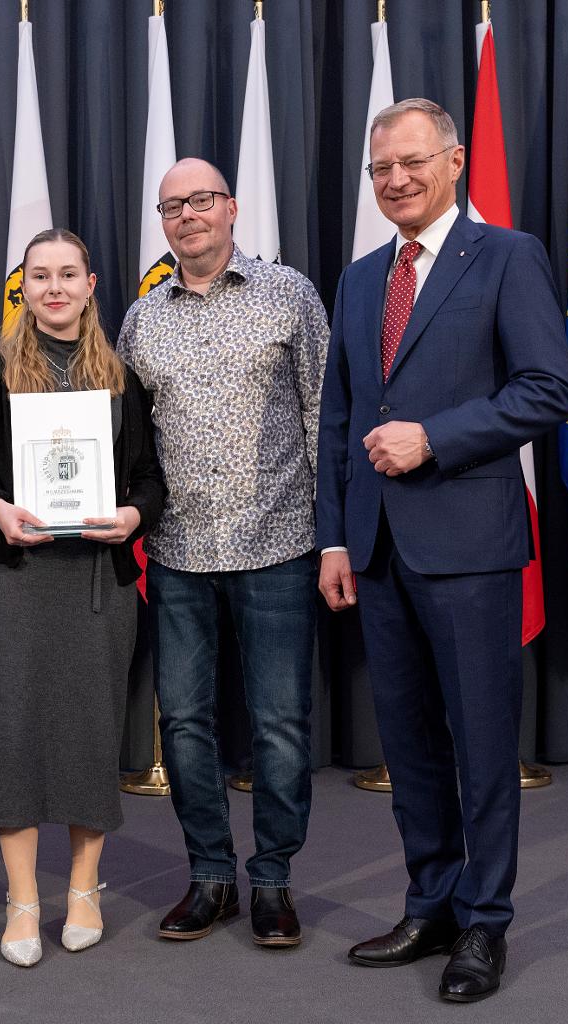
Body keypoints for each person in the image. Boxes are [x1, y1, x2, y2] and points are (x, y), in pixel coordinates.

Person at [316, 98, 568, 1003]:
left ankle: (484, 925)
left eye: (411, 163)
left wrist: (438, 436)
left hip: (471, 546)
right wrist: (337, 538)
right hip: (380, 552)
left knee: (480, 744)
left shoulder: (507, 257)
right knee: (412, 748)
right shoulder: (356, 281)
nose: (395, 180)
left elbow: (550, 390)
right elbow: (341, 422)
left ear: (455, 161)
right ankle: (428, 902)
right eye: (380, 169)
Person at [117, 159, 329, 949]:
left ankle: (272, 880)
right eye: (172, 206)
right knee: (185, 725)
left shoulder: (290, 295)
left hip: (278, 545)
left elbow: (323, 417)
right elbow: (129, 440)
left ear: (231, 208)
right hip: (176, 553)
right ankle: (210, 876)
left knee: (278, 724)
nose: (187, 216)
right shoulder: (142, 319)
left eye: (200, 200)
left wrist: (333, 537)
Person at [0, 229, 165, 967]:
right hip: (13, 580)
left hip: (95, 582)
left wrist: (134, 516)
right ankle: (22, 899)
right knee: (14, 733)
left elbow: (150, 479)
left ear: (90, 284)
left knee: (87, 730)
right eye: (39, 276)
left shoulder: (122, 377)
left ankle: (84, 889)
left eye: (66, 275)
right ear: (26, 288)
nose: (54, 288)